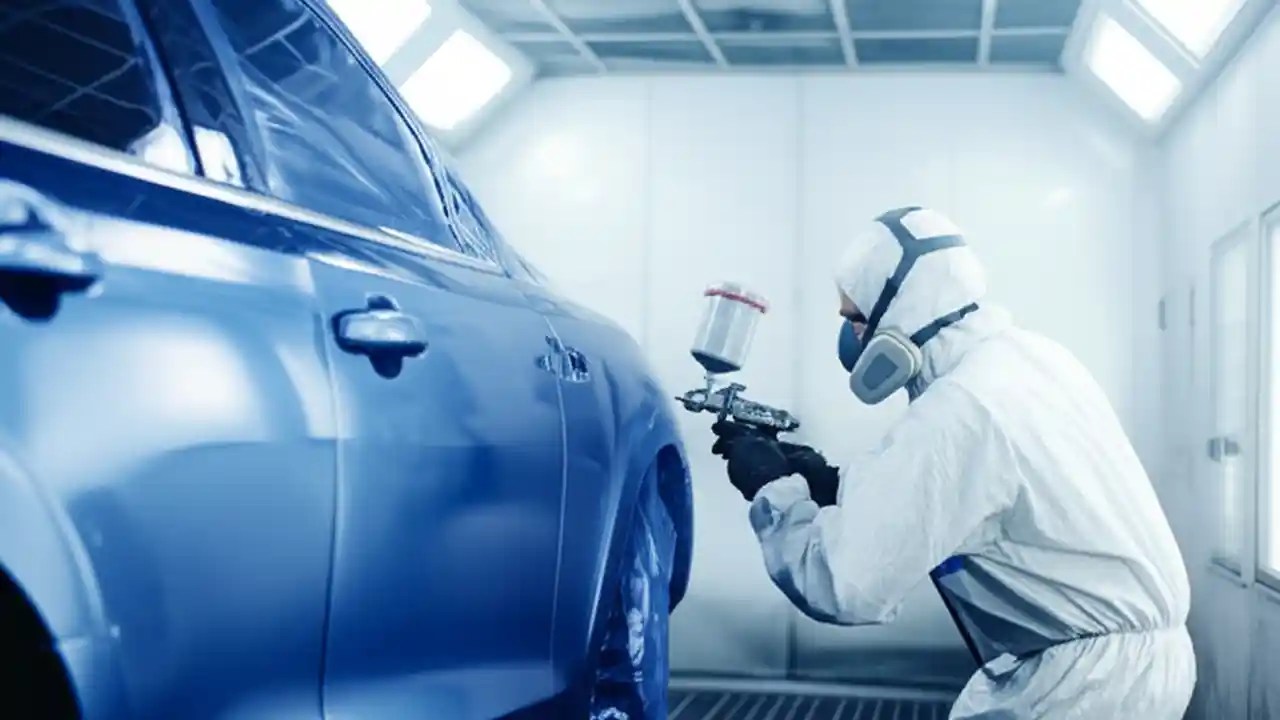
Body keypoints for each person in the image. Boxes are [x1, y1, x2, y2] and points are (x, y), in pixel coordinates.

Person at [711, 207, 1195, 719]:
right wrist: (827, 482)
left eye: (856, 320)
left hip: (1086, 687)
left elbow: (843, 584)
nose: (851, 340)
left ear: (900, 316)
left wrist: (774, 488)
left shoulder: (960, 407)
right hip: (1126, 665)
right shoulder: (1030, 360)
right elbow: (970, 502)